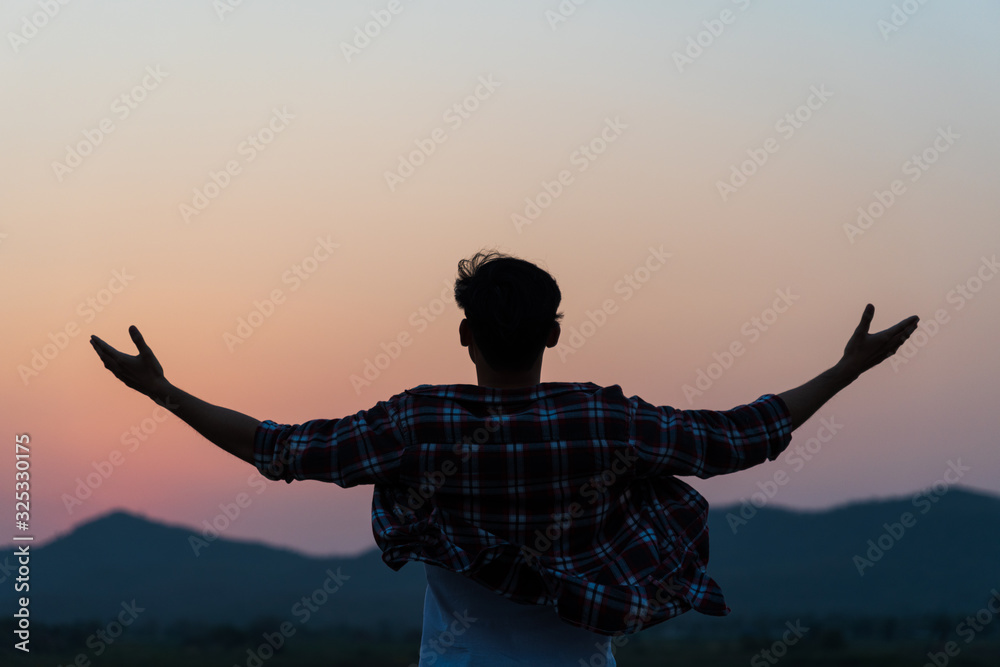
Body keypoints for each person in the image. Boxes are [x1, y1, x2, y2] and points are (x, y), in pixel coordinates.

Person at [90, 249, 919, 666]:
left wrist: (163, 391)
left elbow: (278, 448)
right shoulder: (602, 419)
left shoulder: (420, 421)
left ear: (464, 335)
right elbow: (744, 436)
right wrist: (847, 368)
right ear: (555, 332)